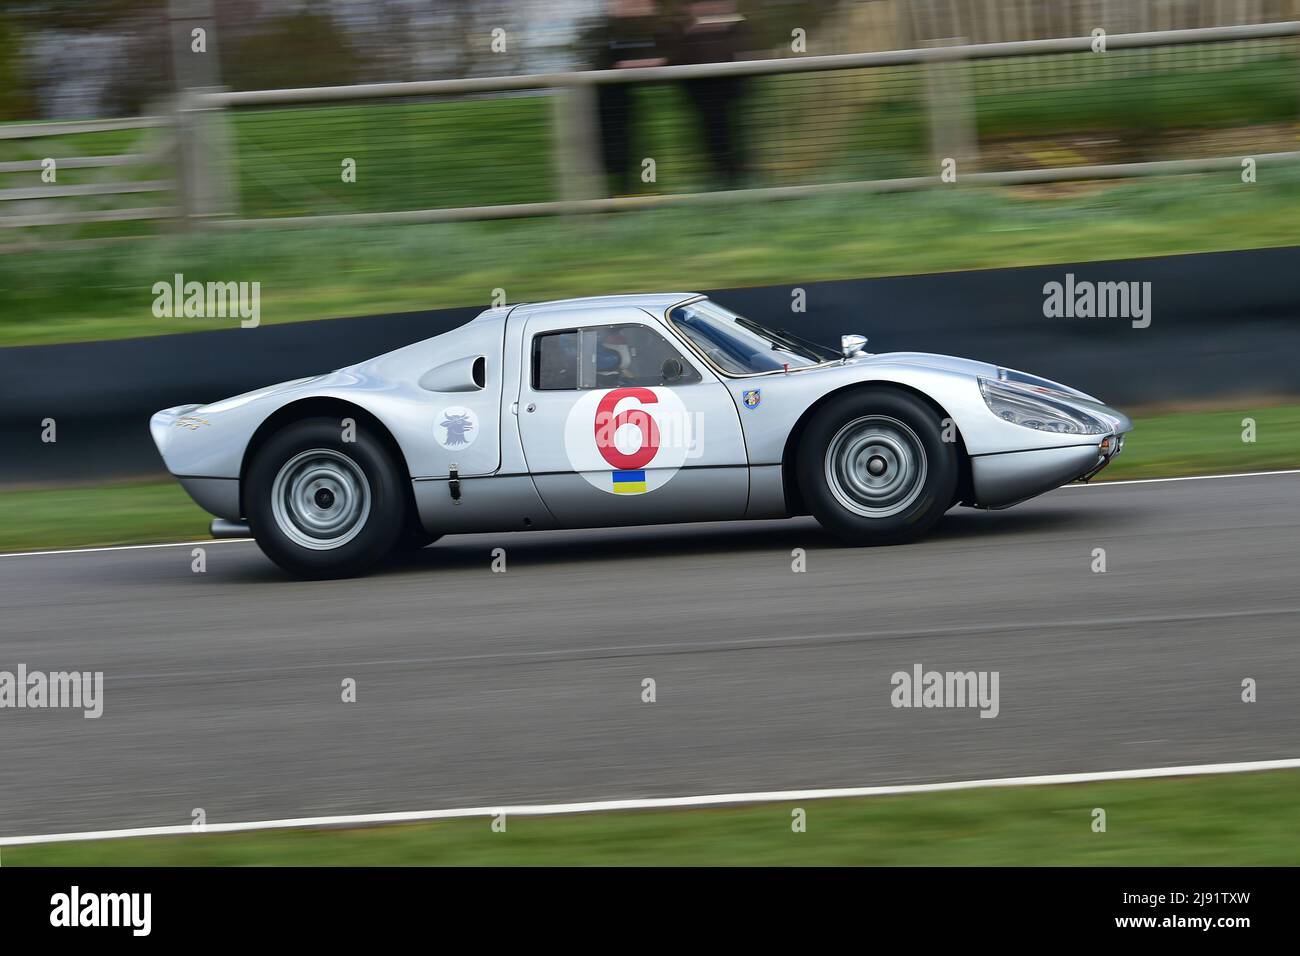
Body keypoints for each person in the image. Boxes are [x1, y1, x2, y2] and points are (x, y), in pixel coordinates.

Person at [585, 0, 674, 196]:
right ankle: (619, 193)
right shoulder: (605, 31)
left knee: (635, 147)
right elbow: (606, 62)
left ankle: (636, 188)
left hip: (629, 101)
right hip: (609, 101)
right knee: (616, 149)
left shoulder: (649, 28)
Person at [678, 0, 751, 189]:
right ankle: (721, 177)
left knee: (737, 134)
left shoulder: (737, 28)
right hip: (703, 94)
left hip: (733, 91)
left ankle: (737, 177)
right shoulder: (685, 33)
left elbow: (745, 50)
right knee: (714, 135)